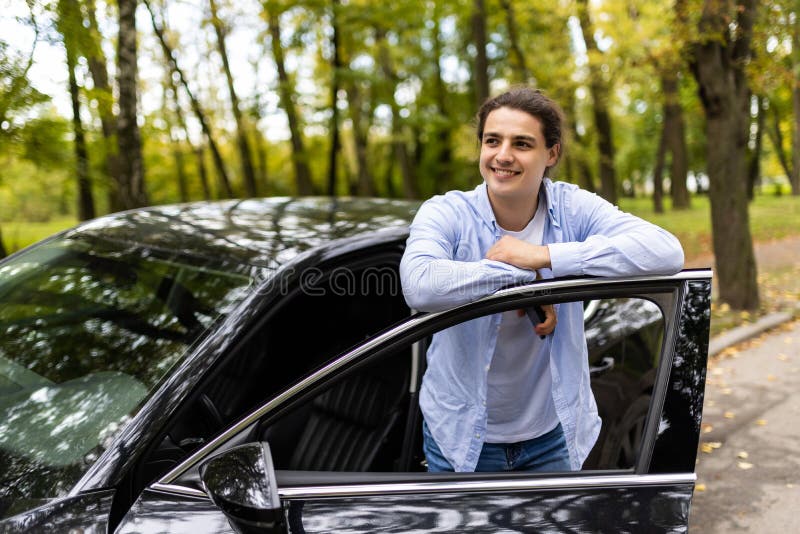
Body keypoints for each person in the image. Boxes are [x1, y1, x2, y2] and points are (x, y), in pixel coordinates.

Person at [399, 87, 684, 473]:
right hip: (461, 438)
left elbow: (665, 251)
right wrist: (524, 279)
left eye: (522, 143)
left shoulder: (572, 208)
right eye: (492, 140)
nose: (503, 155)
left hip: (552, 438)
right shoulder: (447, 212)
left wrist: (546, 257)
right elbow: (420, 284)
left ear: (551, 154)